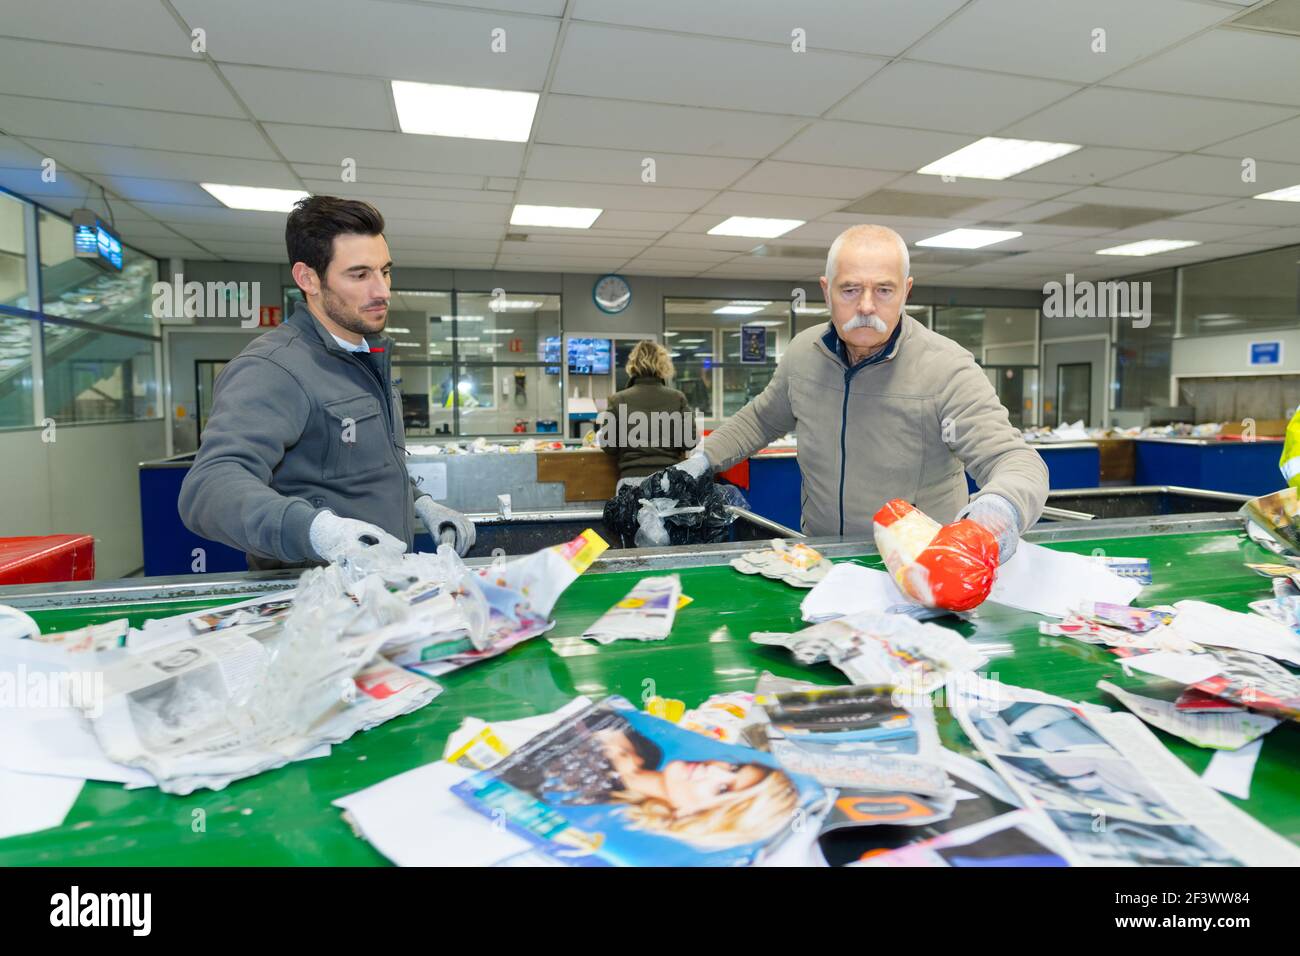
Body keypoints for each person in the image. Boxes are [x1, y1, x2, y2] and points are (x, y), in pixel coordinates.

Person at [653, 224, 1048, 563]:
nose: (865, 306)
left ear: (906, 292)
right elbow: (760, 418)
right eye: (850, 290)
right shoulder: (804, 354)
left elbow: (1014, 460)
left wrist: (1000, 509)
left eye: (884, 290)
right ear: (826, 291)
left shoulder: (946, 368)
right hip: (821, 559)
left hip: (919, 572)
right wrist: (702, 460)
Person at [179, 196, 474, 570]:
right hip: (318, 602)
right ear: (308, 279)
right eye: (359, 274)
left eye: (385, 271)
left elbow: (359, 468)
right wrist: (317, 532)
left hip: (380, 591)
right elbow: (209, 488)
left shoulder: (365, 360)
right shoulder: (274, 368)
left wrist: (421, 504)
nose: (382, 291)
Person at [499, 712, 799, 850]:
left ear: (692, 817)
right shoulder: (650, 751)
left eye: (723, 788)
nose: (716, 769)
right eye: (734, 769)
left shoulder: (575, 796)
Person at [598, 340, 697, 485]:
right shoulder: (677, 398)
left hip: (630, 481)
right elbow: (690, 441)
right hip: (667, 481)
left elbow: (609, 446)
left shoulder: (618, 400)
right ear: (663, 365)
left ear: (632, 365)